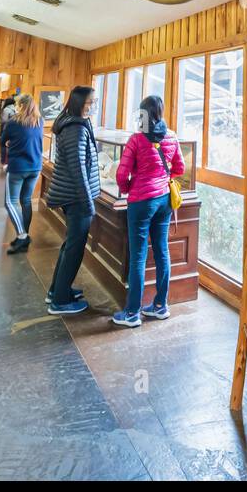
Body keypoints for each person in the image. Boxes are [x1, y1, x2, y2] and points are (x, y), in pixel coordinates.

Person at [111, 95, 183, 328]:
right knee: (162, 251)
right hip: (163, 201)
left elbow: (121, 175)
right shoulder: (171, 136)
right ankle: (161, 305)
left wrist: (128, 188)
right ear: (161, 112)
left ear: (142, 114)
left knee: (138, 257)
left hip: (141, 202)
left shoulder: (136, 139)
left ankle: (133, 312)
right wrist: (164, 179)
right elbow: (179, 167)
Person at [45, 87, 101, 315]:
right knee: (74, 248)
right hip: (76, 197)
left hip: (74, 195)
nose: (94, 105)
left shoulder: (75, 123)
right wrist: (88, 203)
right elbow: (78, 169)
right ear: (81, 103)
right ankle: (60, 302)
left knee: (70, 245)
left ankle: (58, 290)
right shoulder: (76, 128)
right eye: (92, 101)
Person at [1, 94, 44, 254]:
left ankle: (22, 235)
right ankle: (23, 238)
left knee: (10, 202)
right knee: (26, 201)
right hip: (35, 167)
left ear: (20, 105)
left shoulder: (13, 122)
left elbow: (4, 140)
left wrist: (9, 146)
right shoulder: (40, 121)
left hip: (18, 167)